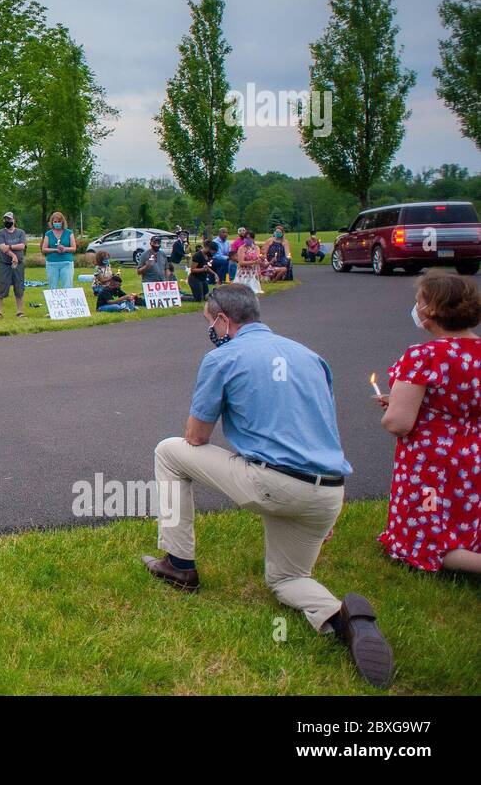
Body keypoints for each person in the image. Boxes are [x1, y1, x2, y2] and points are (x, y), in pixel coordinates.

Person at [143, 284, 393, 688]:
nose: (210, 329)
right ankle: (343, 620)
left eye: (210, 321)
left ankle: (179, 565)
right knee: (286, 580)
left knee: (169, 451)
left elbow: (196, 436)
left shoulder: (222, 356)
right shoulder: (312, 357)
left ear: (223, 319)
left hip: (272, 484)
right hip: (328, 491)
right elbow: (324, 430)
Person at [374, 271, 481, 574]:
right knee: (463, 514)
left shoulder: (424, 356)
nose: (416, 308)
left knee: (429, 532)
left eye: (419, 302)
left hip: (433, 460)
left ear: (432, 311)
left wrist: (392, 409)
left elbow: (399, 423)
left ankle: (439, 554)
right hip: (472, 453)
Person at [0, 211, 27, 319]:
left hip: (19, 265)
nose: (7, 221)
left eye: (9, 219)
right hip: (4, 264)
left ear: (14, 220)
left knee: (19, 287)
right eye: (5, 219)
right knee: (1, 287)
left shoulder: (21, 232)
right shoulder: (0, 233)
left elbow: (22, 246)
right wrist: (13, 256)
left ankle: (20, 312)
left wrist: (10, 247)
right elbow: (2, 248)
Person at [41, 211, 78, 291]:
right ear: (52, 222)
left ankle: (67, 303)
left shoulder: (69, 233)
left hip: (67, 263)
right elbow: (44, 249)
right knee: (52, 287)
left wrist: (65, 249)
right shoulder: (48, 234)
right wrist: (55, 250)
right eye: (55, 222)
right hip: (52, 264)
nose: (57, 223)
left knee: (67, 286)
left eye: (59, 221)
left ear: (62, 222)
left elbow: (74, 248)